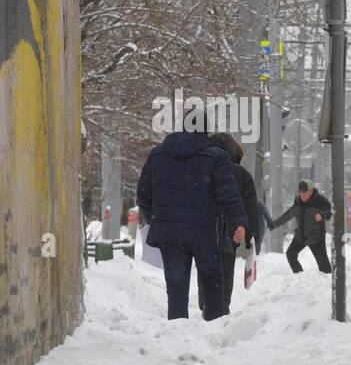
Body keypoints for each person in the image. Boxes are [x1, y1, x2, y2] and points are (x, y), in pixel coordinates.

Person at [136, 117, 247, 321]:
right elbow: (228, 194)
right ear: (206, 130)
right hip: (204, 230)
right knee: (212, 280)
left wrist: (156, 216)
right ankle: (214, 327)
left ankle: (177, 330)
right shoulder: (216, 157)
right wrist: (238, 221)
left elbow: (143, 192)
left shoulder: (158, 154)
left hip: (169, 231)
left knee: (176, 284)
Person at [198, 133, 261, 315]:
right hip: (232, 230)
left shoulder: (201, 169)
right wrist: (251, 238)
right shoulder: (242, 174)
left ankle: (205, 303)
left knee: (205, 265)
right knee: (226, 265)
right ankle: (223, 305)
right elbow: (250, 208)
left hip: (204, 229)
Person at [270, 180, 333, 273]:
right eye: (300, 192)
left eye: (305, 192)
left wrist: (322, 215)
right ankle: (299, 275)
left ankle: (327, 281)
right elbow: (289, 214)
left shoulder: (320, 201)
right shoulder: (297, 201)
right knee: (291, 254)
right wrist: (274, 224)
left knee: (324, 266)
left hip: (316, 236)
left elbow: (329, 213)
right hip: (301, 235)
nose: (302, 195)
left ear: (311, 191)